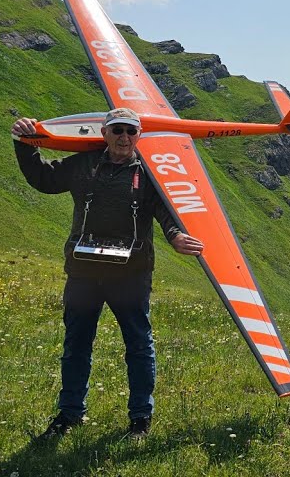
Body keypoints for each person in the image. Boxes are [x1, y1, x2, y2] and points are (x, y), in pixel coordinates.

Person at [11, 107, 205, 440]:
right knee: (76, 345)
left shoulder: (149, 173)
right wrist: (23, 144)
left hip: (131, 275)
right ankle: (69, 414)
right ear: (104, 133)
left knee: (139, 345)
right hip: (84, 273)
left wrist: (175, 237)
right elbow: (44, 179)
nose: (124, 137)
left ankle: (140, 419)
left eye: (131, 131)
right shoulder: (82, 165)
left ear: (139, 136)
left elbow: (164, 210)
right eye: (117, 130)